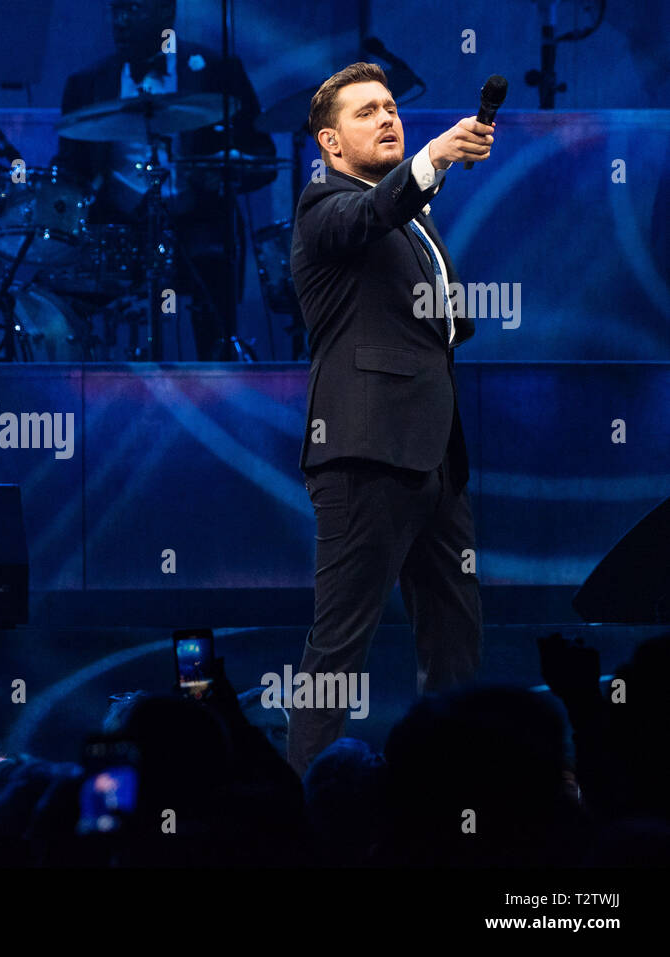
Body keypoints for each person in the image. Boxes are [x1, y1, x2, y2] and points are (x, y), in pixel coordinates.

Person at [286, 61, 494, 776]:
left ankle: (457, 791)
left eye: (391, 107)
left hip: (435, 452)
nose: (388, 117)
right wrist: (433, 158)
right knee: (340, 643)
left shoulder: (410, 218)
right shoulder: (325, 204)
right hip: (365, 451)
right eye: (367, 111)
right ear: (330, 144)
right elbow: (369, 217)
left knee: (456, 636)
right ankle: (307, 810)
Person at [57, 0, 275, 359]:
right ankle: (92, 387)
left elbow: (260, 154)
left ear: (166, 15)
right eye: (116, 12)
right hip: (118, 221)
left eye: (133, 10)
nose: (121, 22)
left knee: (214, 267)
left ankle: (218, 377)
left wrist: (224, 169)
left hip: (197, 218)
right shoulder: (86, 83)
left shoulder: (217, 70)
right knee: (74, 281)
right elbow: (70, 168)